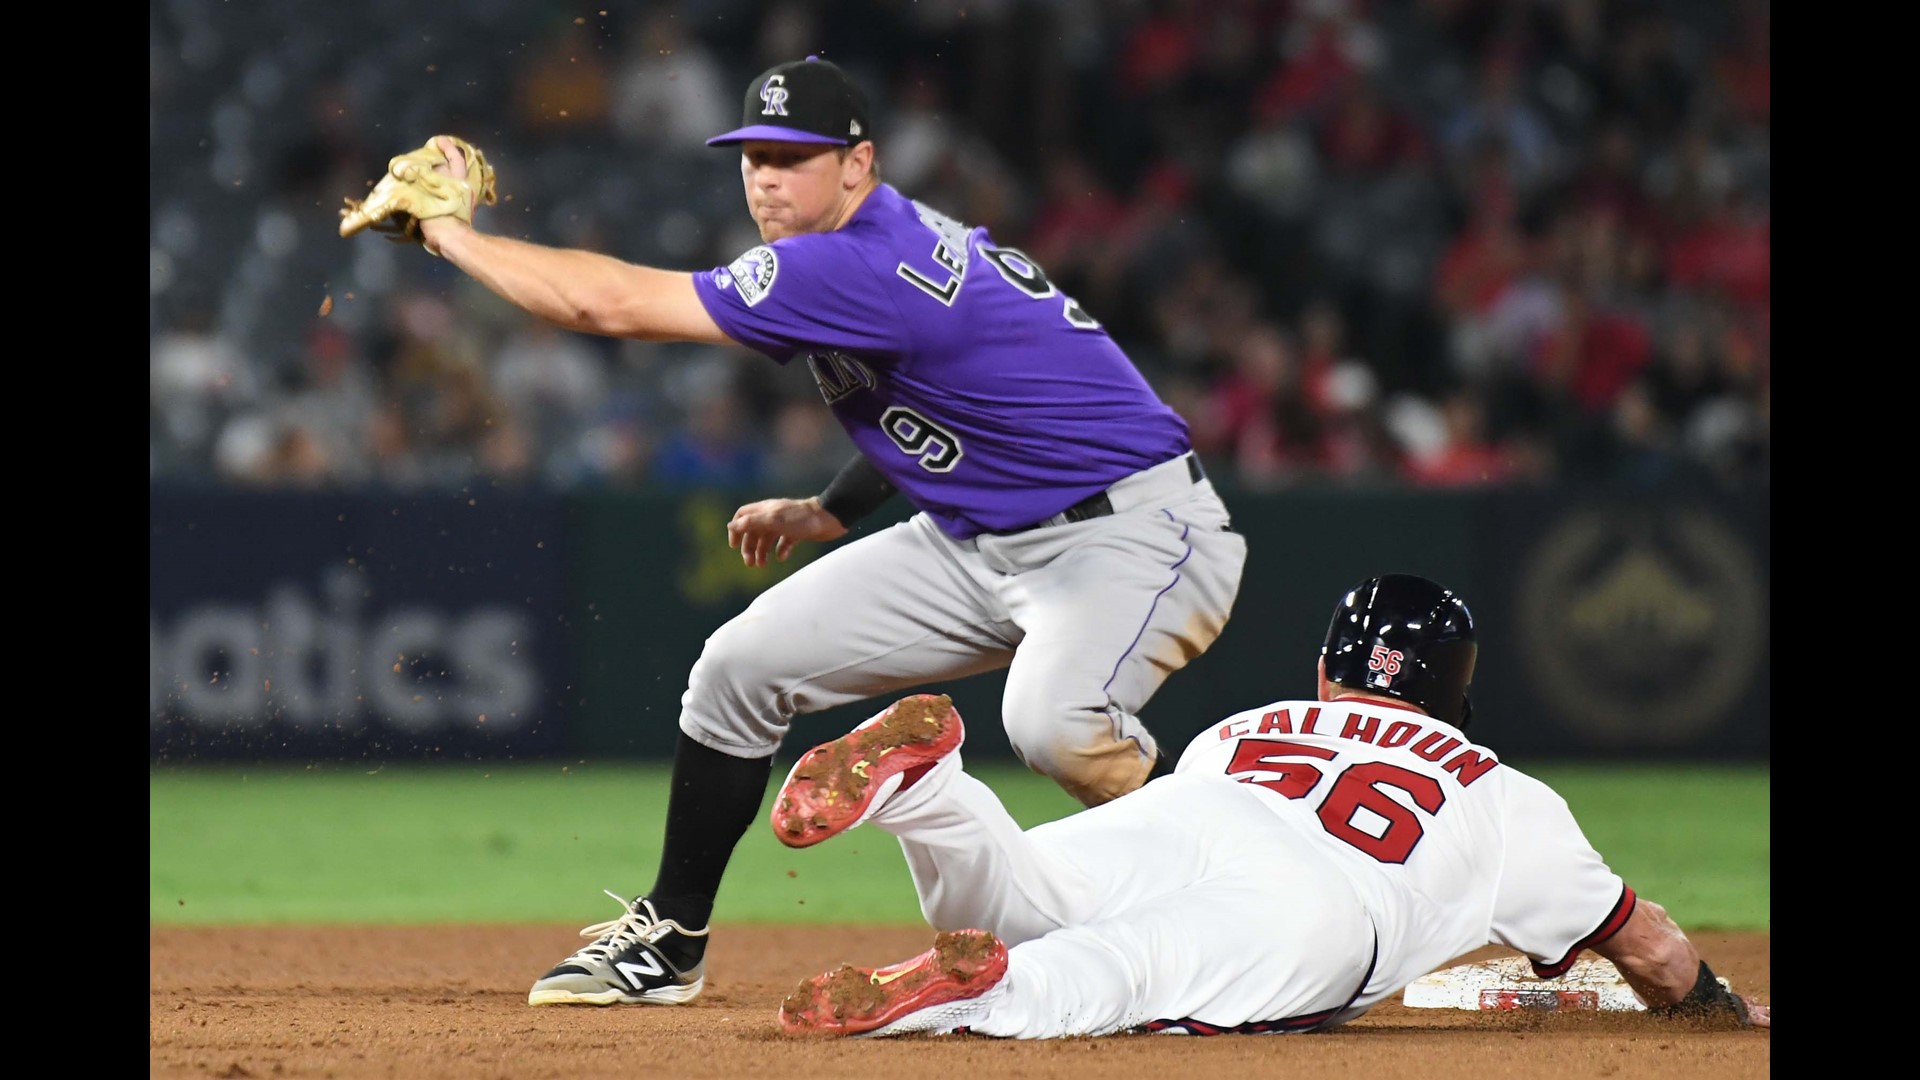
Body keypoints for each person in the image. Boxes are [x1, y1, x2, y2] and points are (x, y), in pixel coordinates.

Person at [347, 57, 1248, 1006]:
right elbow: (965, 410)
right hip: (977, 534)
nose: (768, 177)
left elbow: (599, 303)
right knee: (740, 668)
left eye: (795, 157)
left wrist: (449, 233)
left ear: (857, 164)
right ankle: (671, 940)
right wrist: (834, 509)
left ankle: (1263, 883)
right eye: (754, 157)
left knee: (1054, 725)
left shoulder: (852, 262)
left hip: (1134, 532)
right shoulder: (878, 242)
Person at [769, 574, 1770, 1037]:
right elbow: (1653, 955)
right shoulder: (1506, 794)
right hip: (1322, 903)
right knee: (1129, 971)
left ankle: (936, 794)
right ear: (1454, 692)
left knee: (1037, 890)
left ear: (1326, 669)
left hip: (1193, 806)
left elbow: (1187, 833)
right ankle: (985, 999)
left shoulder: (1248, 724)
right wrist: (1721, 1013)